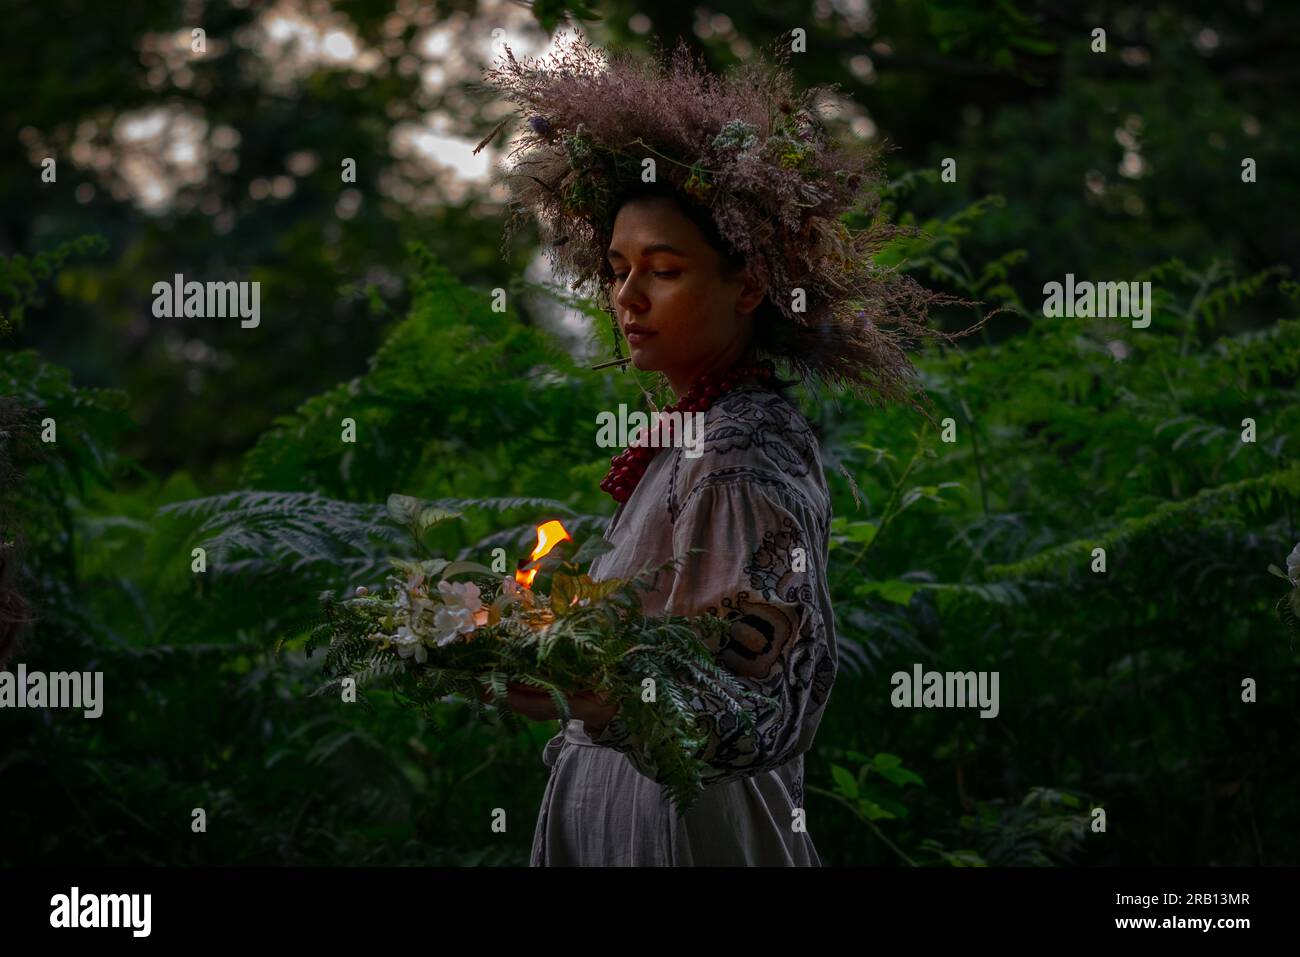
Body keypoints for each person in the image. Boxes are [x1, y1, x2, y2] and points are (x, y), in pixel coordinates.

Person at [474, 31, 982, 866]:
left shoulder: (743, 453)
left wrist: (579, 683)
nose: (627, 296)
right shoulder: (695, 434)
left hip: (691, 829)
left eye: (663, 269)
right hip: (631, 814)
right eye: (615, 267)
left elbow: (756, 707)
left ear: (748, 284)